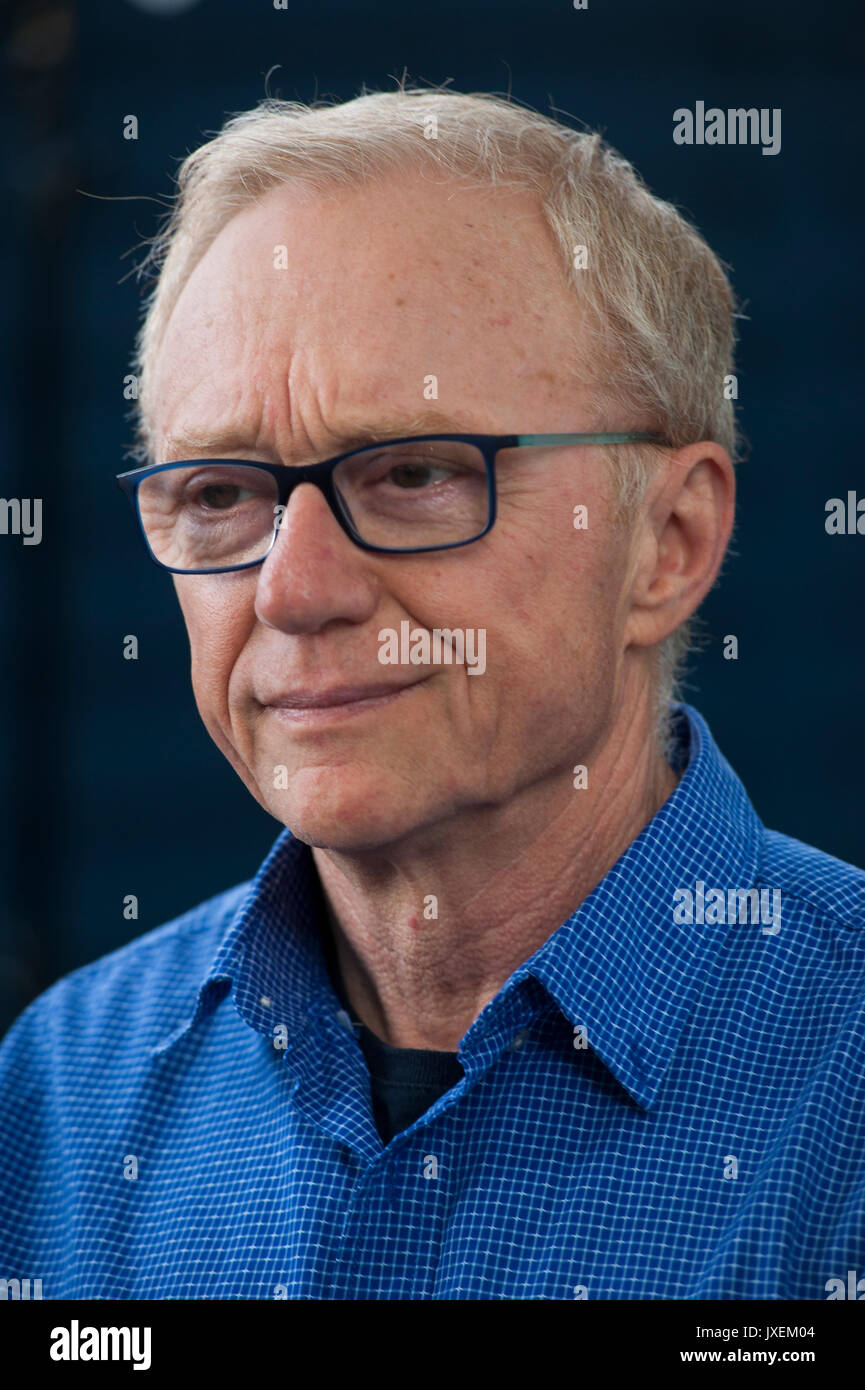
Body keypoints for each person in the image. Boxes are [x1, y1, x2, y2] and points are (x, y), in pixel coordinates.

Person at [1, 87, 863, 1301]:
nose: (293, 590)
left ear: (666, 542)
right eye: (220, 496)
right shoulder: (59, 1098)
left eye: (412, 473)